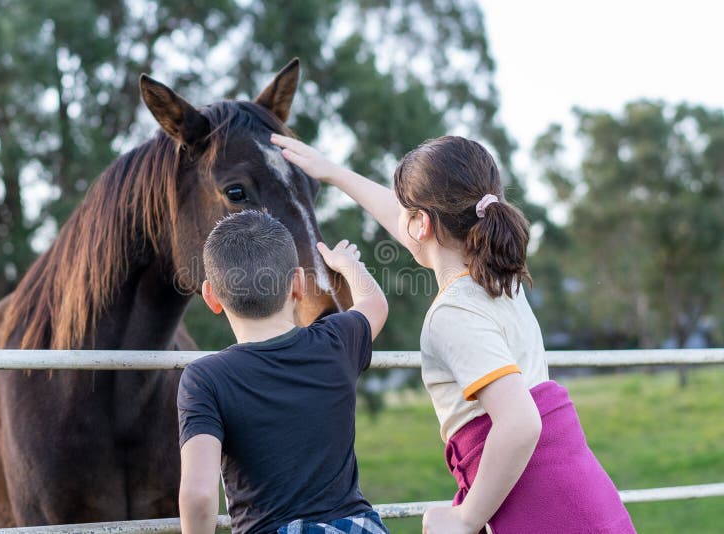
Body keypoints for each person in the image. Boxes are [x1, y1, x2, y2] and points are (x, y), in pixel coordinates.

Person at [271, 134, 636, 534]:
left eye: (406, 213)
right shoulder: (501, 277)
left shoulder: (452, 312)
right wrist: (336, 174)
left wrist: (466, 518)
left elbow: (520, 423)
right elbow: (414, 222)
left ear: (422, 223)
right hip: (581, 497)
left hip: (543, 509)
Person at [177, 210, 390, 534]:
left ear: (211, 297)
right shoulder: (336, 339)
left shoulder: (204, 379)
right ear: (298, 285)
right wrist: (347, 263)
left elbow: (200, 495)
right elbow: (375, 303)